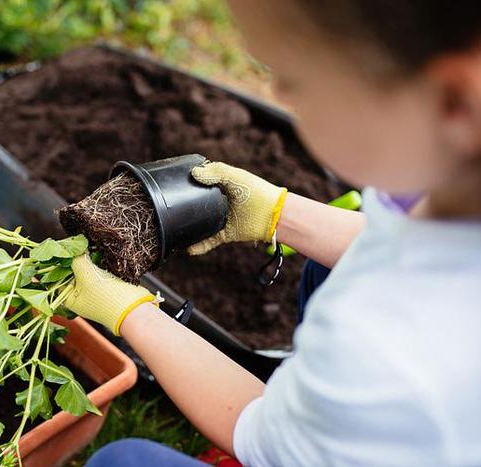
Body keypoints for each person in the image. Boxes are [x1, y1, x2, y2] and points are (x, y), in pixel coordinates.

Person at [68, 1, 481, 465]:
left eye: (296, 76)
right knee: (326, 267)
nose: (279, 91)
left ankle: (317, 419)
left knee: (122, 462)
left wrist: (129, 311)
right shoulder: (452, 171)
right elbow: (400, 241)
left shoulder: (380, 351)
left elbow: (258, 436)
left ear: (450, 101)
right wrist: (275, 213)